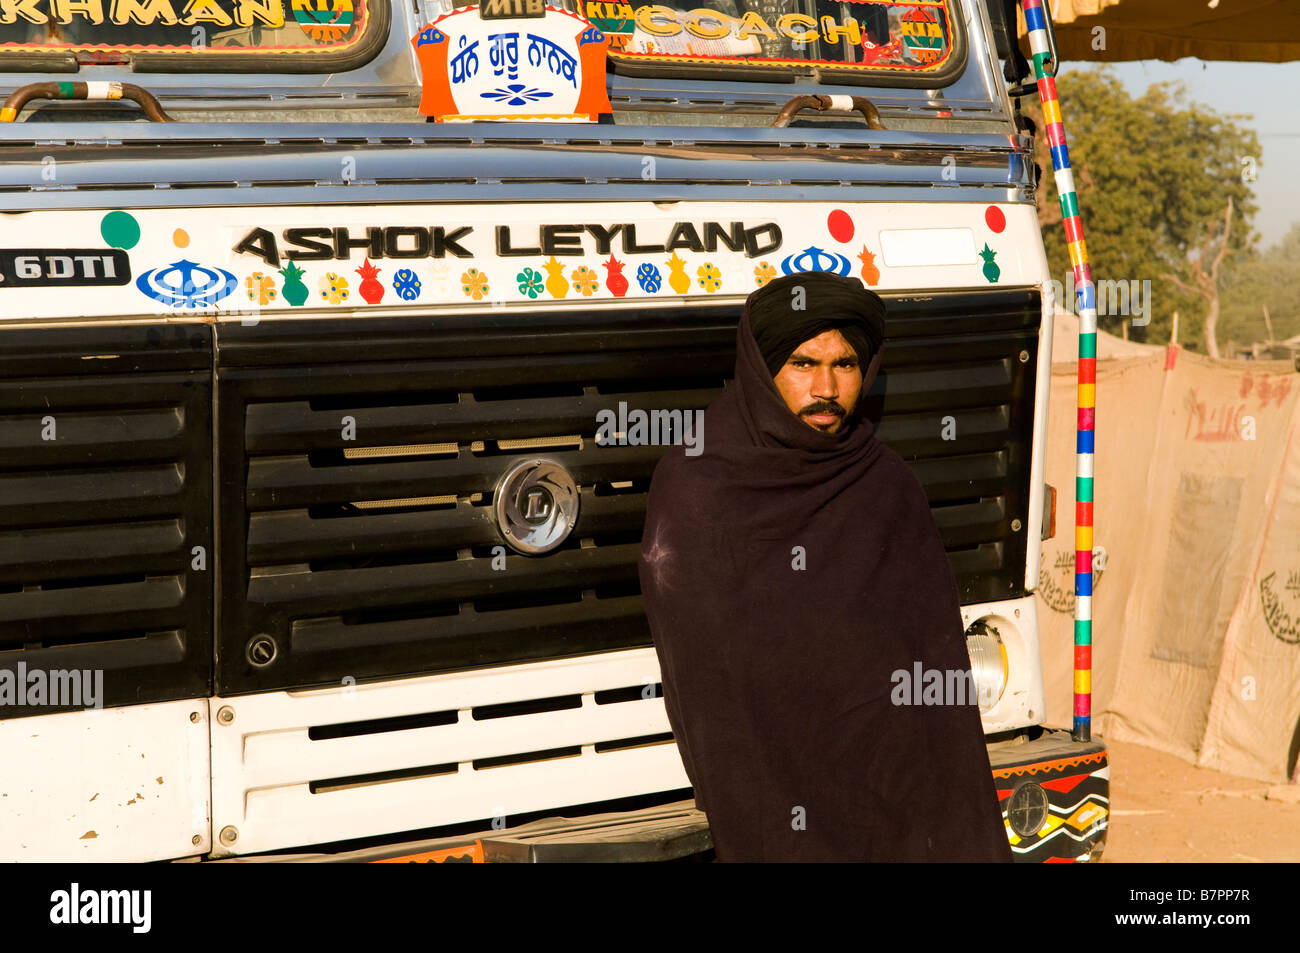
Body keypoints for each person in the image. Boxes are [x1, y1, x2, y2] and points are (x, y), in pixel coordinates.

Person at [637, 271, 1013, 862]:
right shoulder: (700, 482)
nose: (827, 387)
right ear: (763, 369)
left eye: (845, 365)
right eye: (803, 364)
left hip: (890, 790)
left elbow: (933, 664)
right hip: (771, 794)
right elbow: (709, 684)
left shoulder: (885, 484)